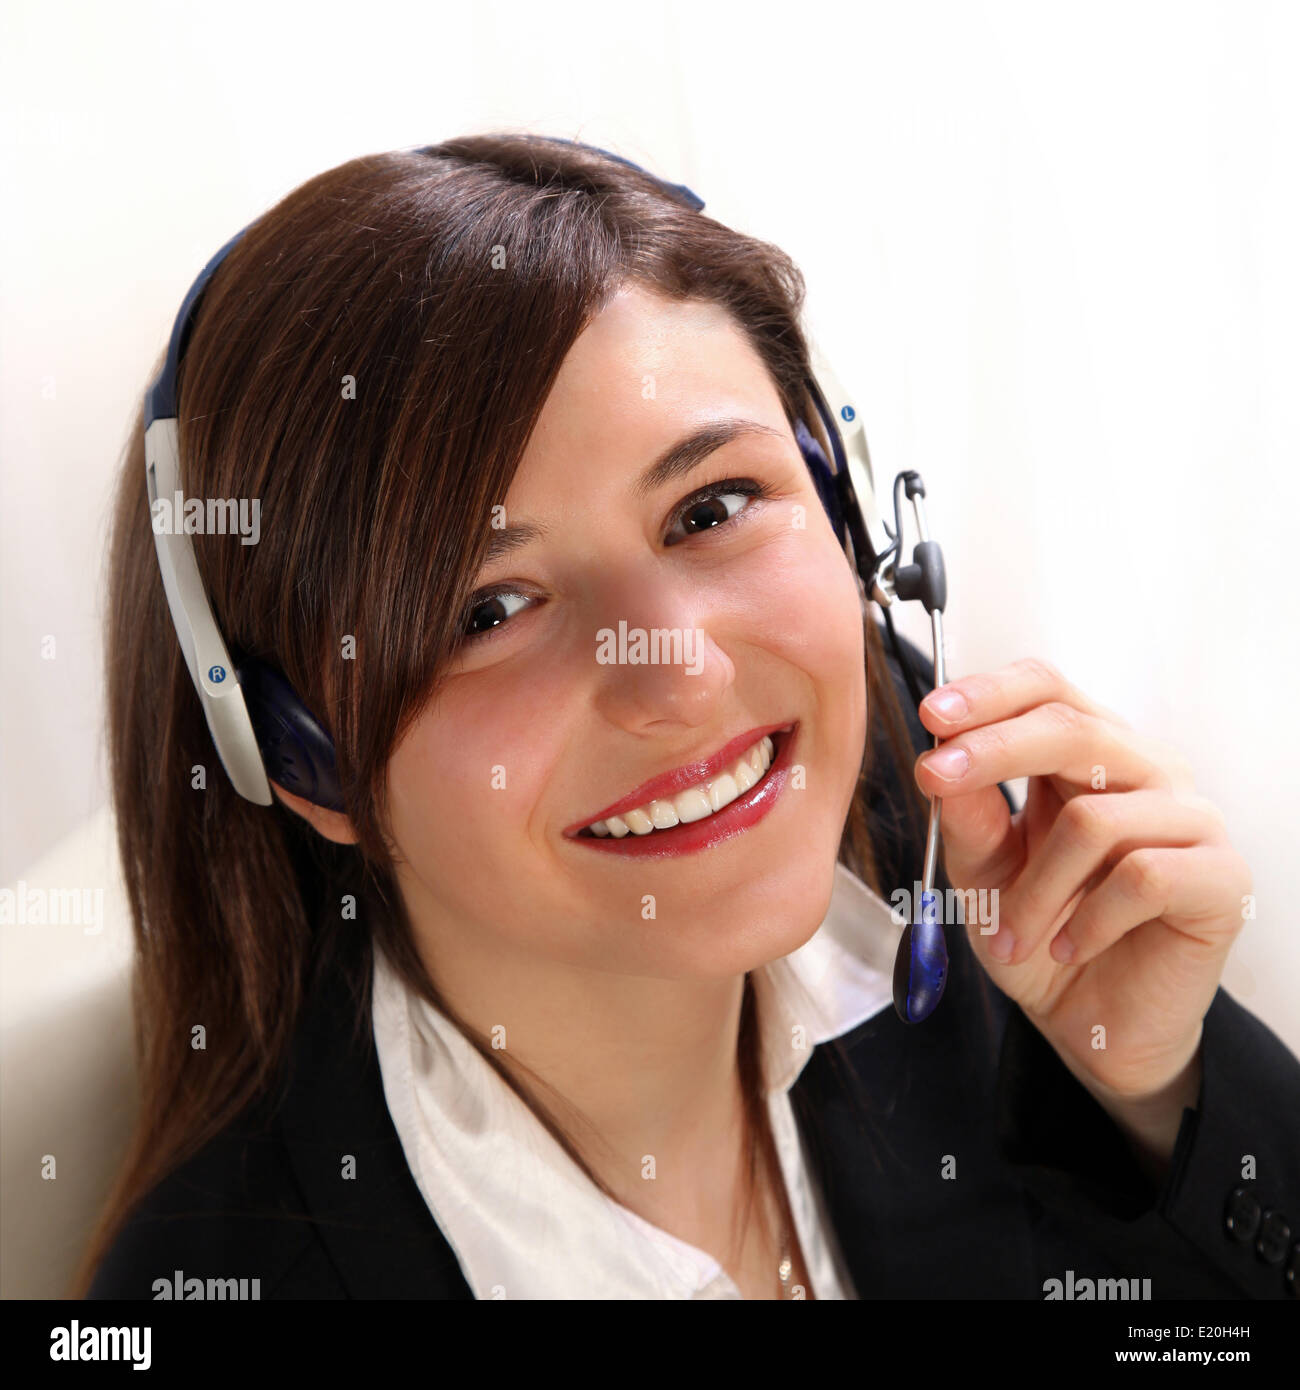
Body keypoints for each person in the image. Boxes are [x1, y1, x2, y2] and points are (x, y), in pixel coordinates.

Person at [76, 134, 1299, 1300]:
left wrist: (1157, 1093)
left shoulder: (953, 895)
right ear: (296, 752)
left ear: (848, 508)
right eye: (488, 607)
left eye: (711, 508)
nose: (683, 675)